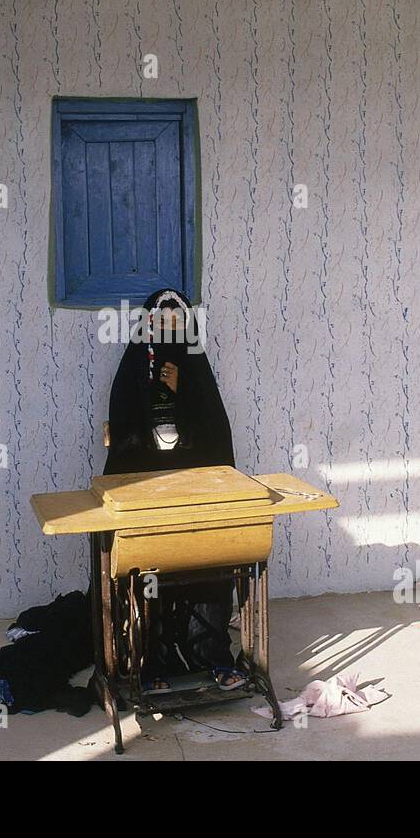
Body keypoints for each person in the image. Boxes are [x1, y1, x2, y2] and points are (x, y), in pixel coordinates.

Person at [104, 288, 246, 694]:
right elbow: (127, 442)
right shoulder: (133, 375)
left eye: (175, 324)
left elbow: (216, 441)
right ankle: (153, 663)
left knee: (211, 563)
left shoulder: (196, 376)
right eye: (159, 324)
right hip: (149, 504)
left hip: (195, 499)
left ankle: (212, 655)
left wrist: (181, 393)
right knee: (149, 576)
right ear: (146, 328)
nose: (168, 331)